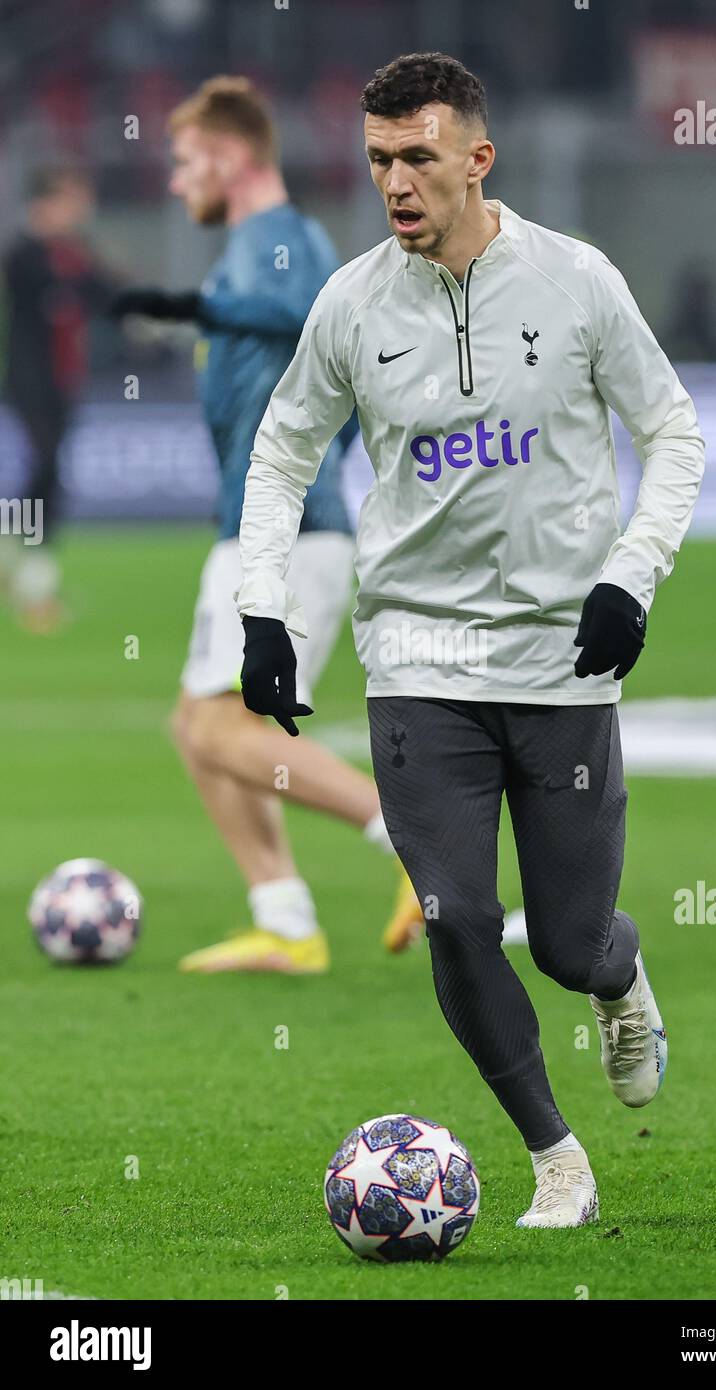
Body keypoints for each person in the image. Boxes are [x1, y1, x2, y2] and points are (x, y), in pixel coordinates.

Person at [235, 53, 705, 1227]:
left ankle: (617, 973)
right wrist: (264, 608)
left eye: (419, 159)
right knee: (451, 914)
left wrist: (628, 580)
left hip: (562, 662)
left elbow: (674, 433)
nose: (395, 182)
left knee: (565, 940)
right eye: (379, 159)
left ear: (476, 160)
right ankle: (556, 1156)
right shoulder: (350, 302)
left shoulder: (576, 282)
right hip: (417, 662)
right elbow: (284, 449)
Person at [113, 76, 422, 974]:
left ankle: (416, 853)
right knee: (196, 723)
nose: (176, 184)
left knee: (220, 730)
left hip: (285, 526)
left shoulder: (280, 240)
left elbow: (307, 317)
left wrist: (195, 308)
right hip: (262, 526)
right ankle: (286, 919)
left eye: (182, 163)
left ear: (227, 156)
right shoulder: (259, 246)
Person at [1, 167, 115, 631]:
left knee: (49, 473)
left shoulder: (74, 254)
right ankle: (31, 574)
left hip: (65, 378)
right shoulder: (25, 252)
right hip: (29, 379)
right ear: (49, 202)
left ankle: (22, 558)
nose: (81, 210)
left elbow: (106, 291)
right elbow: (43, 292)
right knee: (45, 464)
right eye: (73, 199)